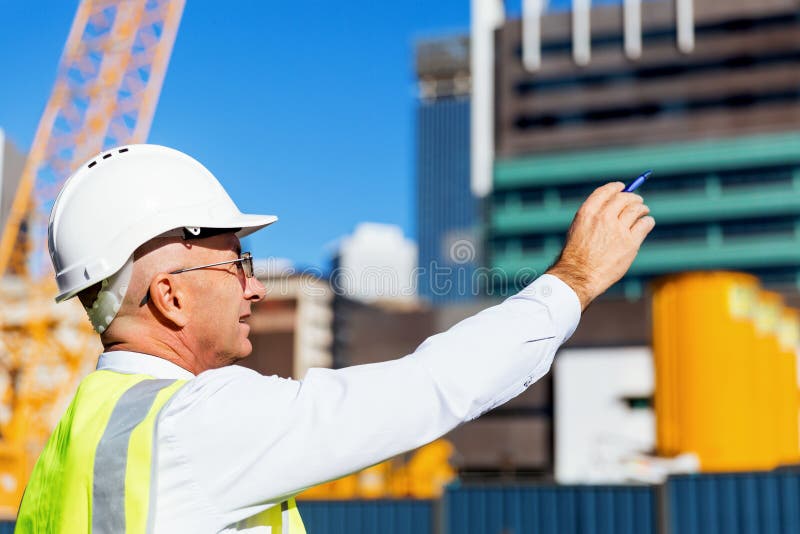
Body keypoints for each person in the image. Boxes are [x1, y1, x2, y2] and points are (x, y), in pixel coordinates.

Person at [15, 144, 654, 533]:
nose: (254, 288)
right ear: (169, 296)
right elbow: (429, 388)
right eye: (236, 264)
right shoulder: (194, 425)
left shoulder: (77, 438)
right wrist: (575, 279)